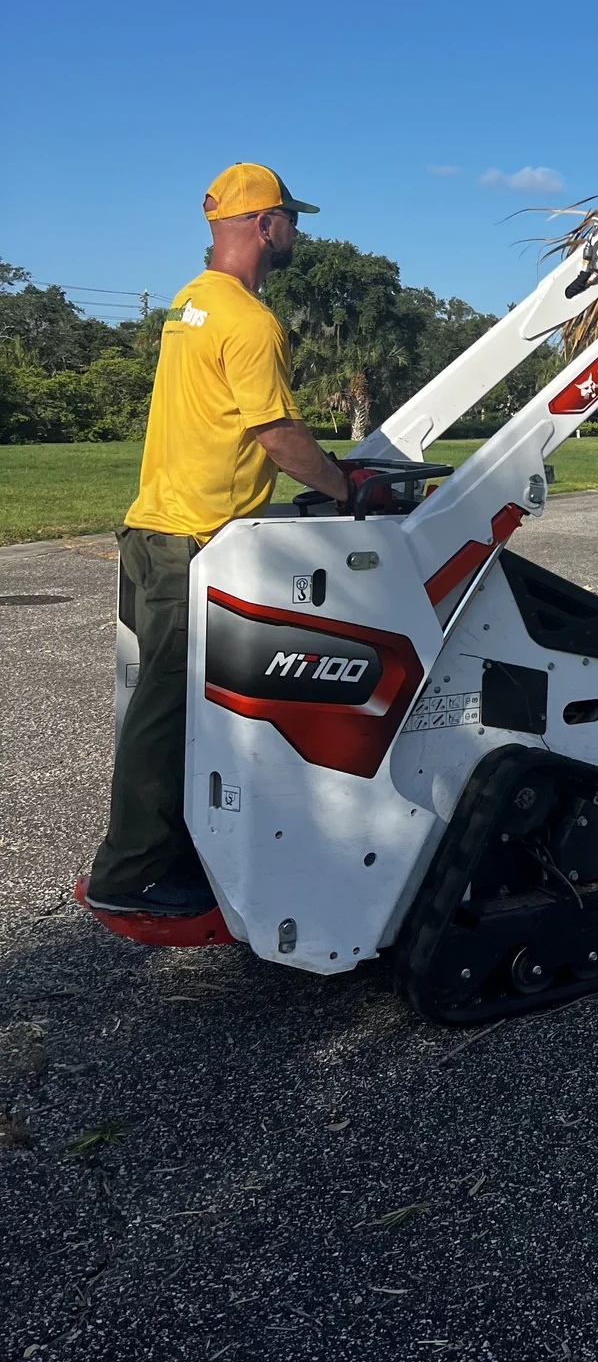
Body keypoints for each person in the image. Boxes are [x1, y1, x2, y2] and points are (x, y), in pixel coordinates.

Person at [84, 164, 353, 921]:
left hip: (153, 527)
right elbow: (278, 436)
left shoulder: (190, 302)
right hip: (192, 539)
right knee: (166, 711)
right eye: (290, 219)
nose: (297, 231)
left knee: (175, 707)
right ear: (266, 225)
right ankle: (128, 873)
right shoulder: (248, 319)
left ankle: (179, 849)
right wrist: (344, 486)